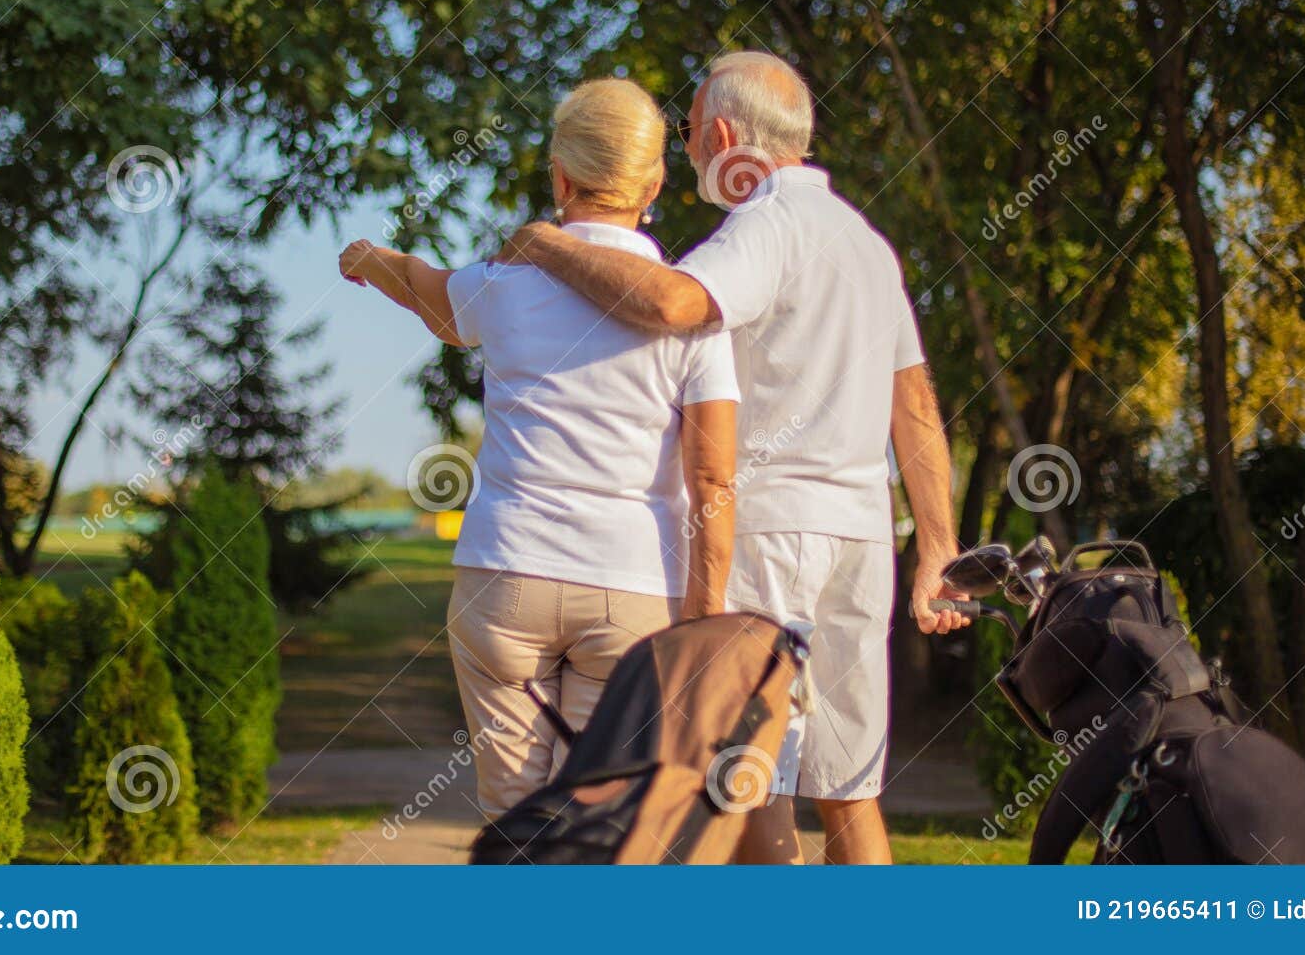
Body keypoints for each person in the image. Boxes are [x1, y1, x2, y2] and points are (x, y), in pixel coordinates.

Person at [495, 50, 968, 865]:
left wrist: (543, 244)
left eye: (686, 131)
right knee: (850, 790)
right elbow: (914, 404)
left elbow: (673, 302)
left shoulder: (766, 225)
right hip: (861, 539)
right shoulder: (866, 244)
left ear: (720, 132)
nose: (684, 150)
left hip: (771, 535)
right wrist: (937, 548)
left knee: (749, 780)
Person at [337, 78, 741, 821]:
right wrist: (706, 618)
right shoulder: (694, 311)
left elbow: (425, 290)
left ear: (560, 177)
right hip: (633, 585)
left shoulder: (504, 286)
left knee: (511, 817)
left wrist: (371, 257)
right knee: (601, 825)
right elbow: (713, 473)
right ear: (652, 185)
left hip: (504, 578)